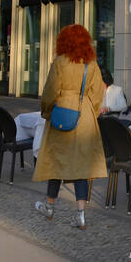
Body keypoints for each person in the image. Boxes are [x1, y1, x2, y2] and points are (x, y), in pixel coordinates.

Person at [33, 25, 107, 229]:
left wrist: (47, 111)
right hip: (84, 116)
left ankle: (49, 206)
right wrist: (90, 109)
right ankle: (81, 215)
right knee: (81, 165)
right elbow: (98, 93)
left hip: (62, 113)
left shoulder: (60, 61)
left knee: (56, 161)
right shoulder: (91, 63)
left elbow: (50, 91)